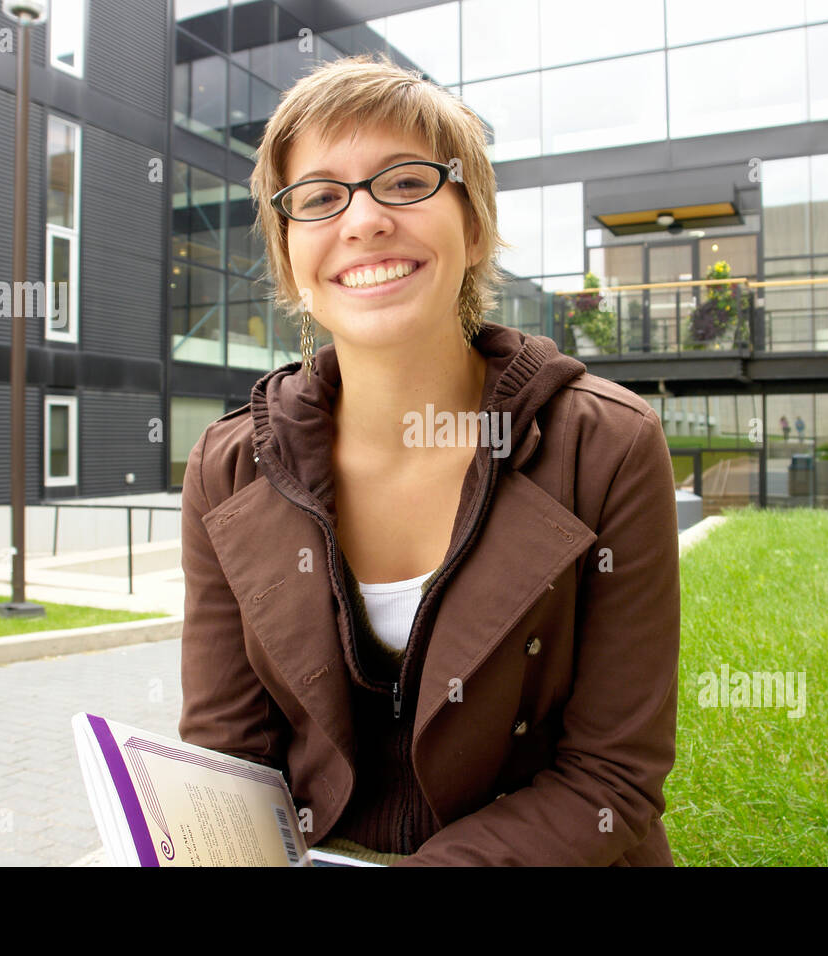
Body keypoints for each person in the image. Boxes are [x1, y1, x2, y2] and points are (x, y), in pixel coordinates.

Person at [177, 53, 681, 866]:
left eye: (406, 183)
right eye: (318, 198)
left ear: (474, 226)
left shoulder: (607, 445)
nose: (363, 220)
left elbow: (611, 779)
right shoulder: (227, 467)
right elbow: (230, 759)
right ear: (289, 258)